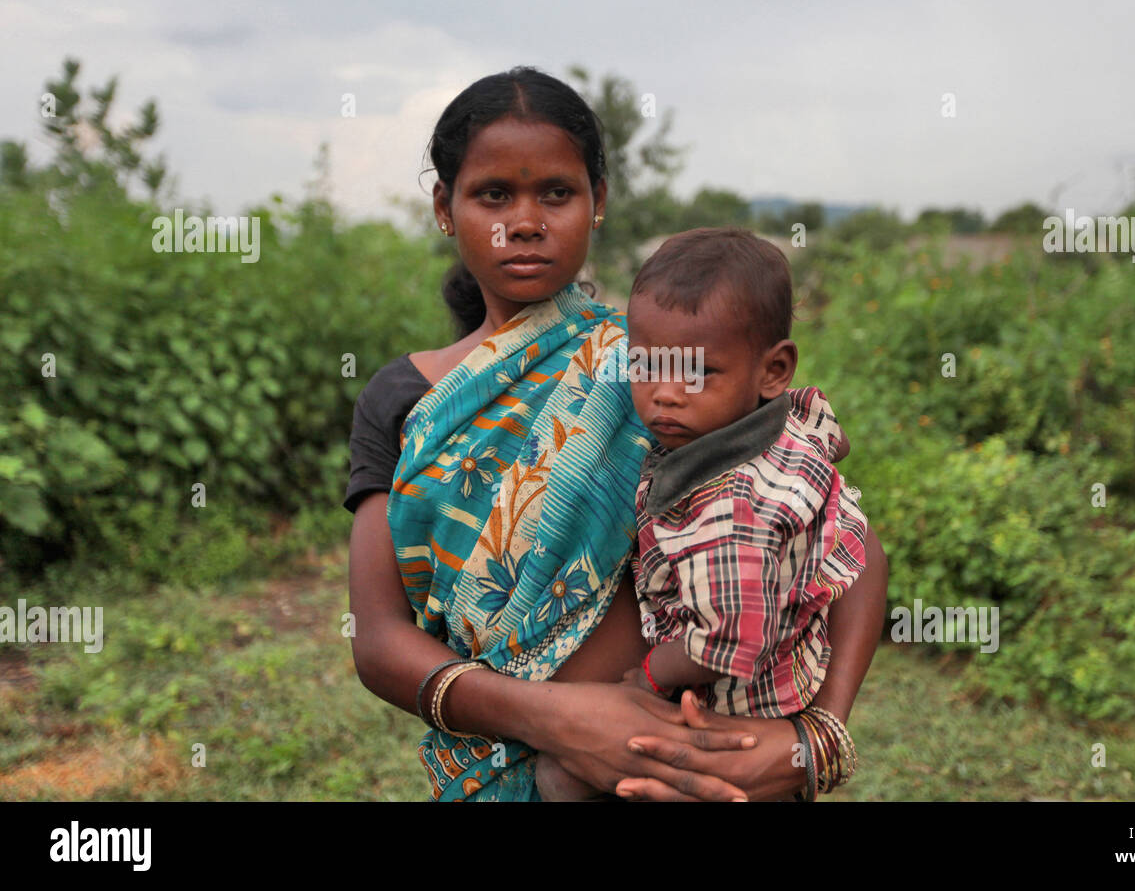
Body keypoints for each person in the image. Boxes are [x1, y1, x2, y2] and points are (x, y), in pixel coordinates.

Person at [344, 65, 890, 801]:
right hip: (516, 764)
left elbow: (841, 543)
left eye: (558, 194)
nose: (527, 220)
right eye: (494, 195)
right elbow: (379, 643)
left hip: (691, 760)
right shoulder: (406, 399)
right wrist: (558, 721)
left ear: (597, 201)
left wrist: (813, 737)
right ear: (446, 207)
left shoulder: (668, 371)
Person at [533, 228, 870, 801]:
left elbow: (727, 641)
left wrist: (650, 675)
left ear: (773, 369)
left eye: (696, 372)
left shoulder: (730, 509)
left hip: (738, 716)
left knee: (561, 776)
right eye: (646, 367)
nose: (664, 394)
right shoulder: (779, 430)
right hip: (787, 683)